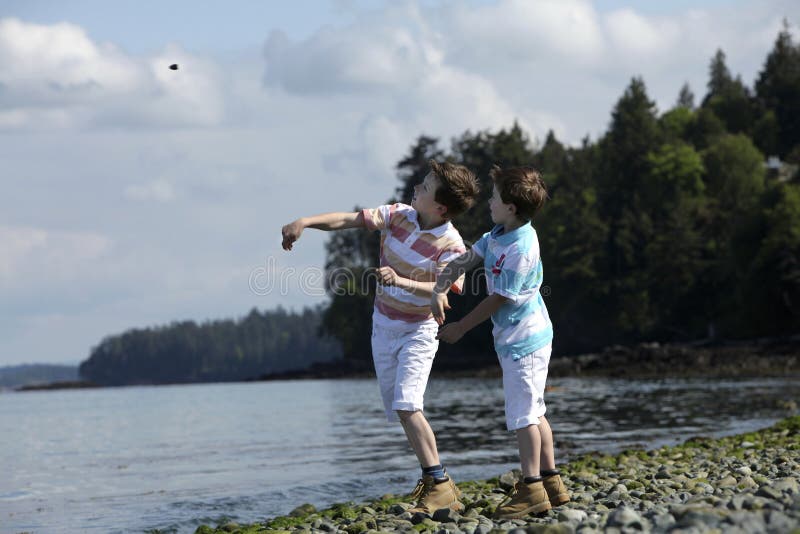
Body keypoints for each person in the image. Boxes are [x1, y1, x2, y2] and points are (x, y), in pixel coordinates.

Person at [281, 160, 480, 513]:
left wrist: (399, 280)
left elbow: (443, 290)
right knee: (401, 411)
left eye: (425, 187)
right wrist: (305, 222)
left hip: (419, 330)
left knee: (407, 404)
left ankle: (439, 482)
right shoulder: (399, 214)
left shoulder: (452, 246)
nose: (416, 187)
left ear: (440, 207)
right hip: (383, 325)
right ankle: (437, 481)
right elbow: (349, 220)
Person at [430, 165, 570, 519]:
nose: (489, 202)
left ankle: (532, 488)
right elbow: (467, 259)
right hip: (516, 339)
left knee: (524, 416)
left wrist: (461, 327)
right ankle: (552, 482)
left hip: (527, 340)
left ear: (510, 207)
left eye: (493, 198)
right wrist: (441, 285)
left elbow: (498, 299)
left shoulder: (522, 247)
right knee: (535, 410)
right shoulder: (497, 234)